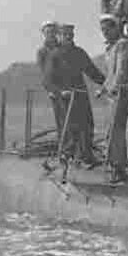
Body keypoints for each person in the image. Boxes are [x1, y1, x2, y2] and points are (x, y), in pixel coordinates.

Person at [44, 23, 105, 165]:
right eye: (65, 35)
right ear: (59, 36)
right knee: (68, 128)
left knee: (87, 125)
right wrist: (59, 92)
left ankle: (86, 156)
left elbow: (92, 72)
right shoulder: (54, 55)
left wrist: (108, 83)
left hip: (80, 95)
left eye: (70, 35)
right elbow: (47, 80)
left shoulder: (79, 53)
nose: (68, 37)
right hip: (64, 98)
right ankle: (67, 157)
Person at [96, 13, 128, 182]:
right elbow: (110, 74)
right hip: (112, 95)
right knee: (111, 130)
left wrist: (114, 87)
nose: (104, 33)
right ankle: (114, 165)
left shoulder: (123, 45)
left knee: (116, 131)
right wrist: (103, 89)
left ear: (115, 28)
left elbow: (121, 71)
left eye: (107, 29)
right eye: (102, 30)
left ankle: (118, 168)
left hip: (121, 94)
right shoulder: (110, 48)